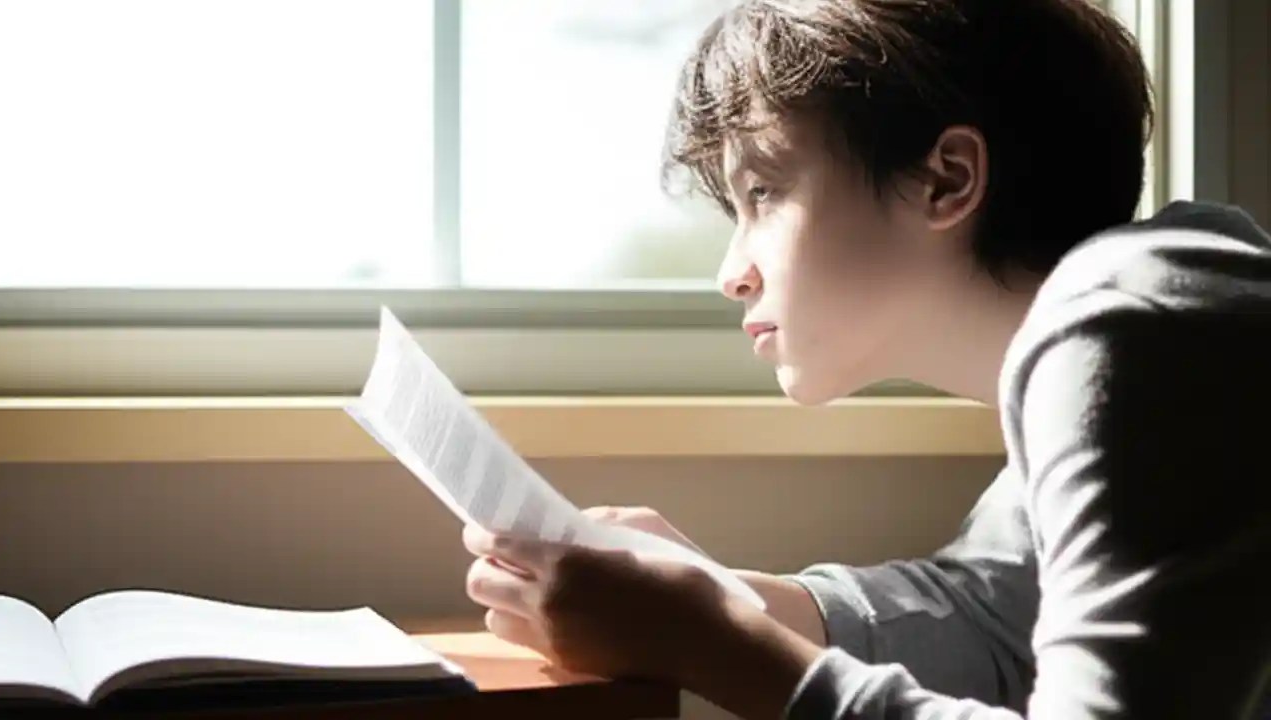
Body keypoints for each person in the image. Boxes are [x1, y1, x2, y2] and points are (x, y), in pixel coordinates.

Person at [460, 0, 1271, 717]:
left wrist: (713, 644)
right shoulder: (1136, 329)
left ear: (945, 180)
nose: (731, 272)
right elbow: (992, 619)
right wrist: (712, 596)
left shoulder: (1136, 325)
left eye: (763, 193)